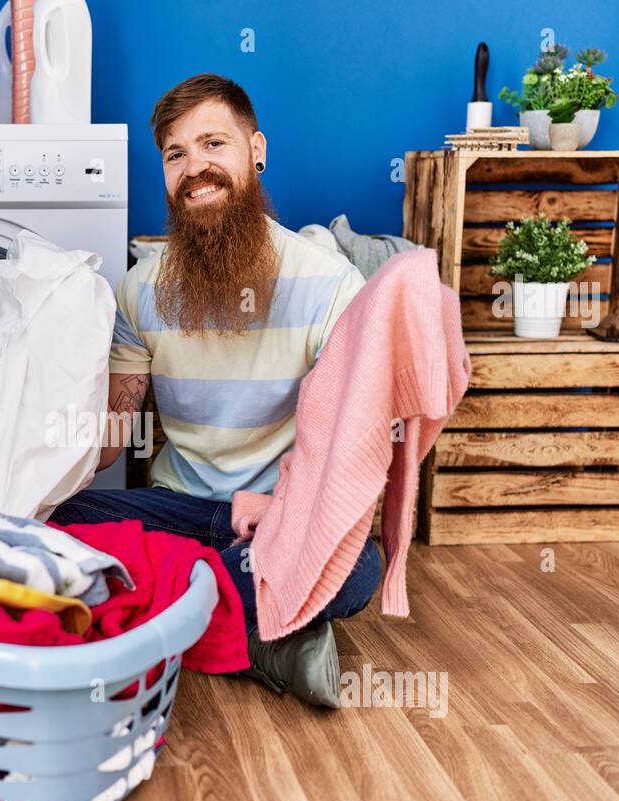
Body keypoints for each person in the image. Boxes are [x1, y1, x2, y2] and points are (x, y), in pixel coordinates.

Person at [49, 73, 382, 706]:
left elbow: (358, 442)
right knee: (51, 523)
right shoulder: (137, 289)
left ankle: (150, 624)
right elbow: (116, 438)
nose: (195, 168)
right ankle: (259, 637)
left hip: (282, 518)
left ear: (256, 150)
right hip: (181, 512)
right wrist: (29, 457)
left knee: (357, 566)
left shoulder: (329, 283)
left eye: (213, 145)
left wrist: (287, 507)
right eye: (176, 154)